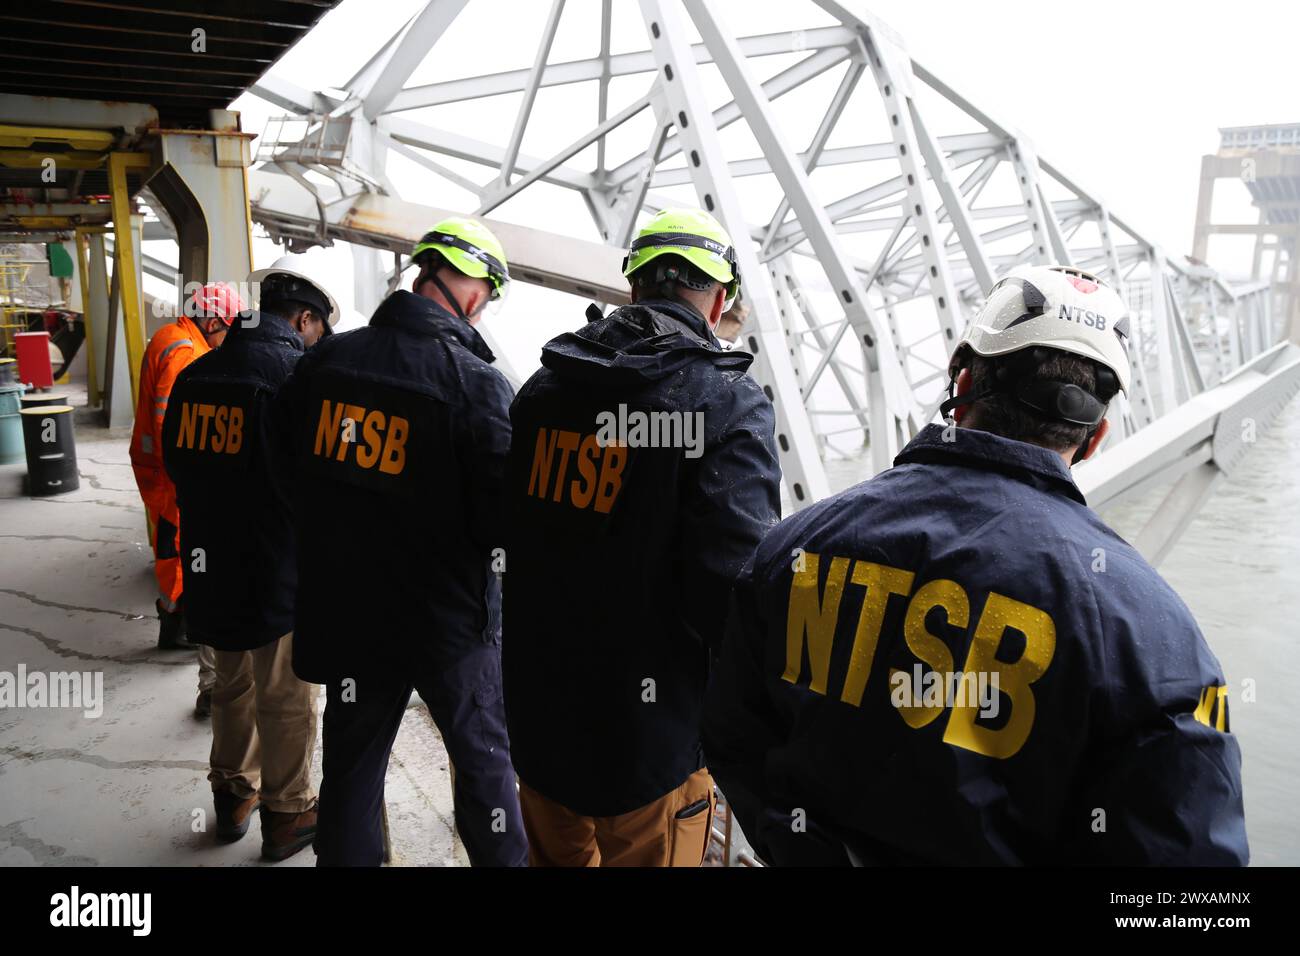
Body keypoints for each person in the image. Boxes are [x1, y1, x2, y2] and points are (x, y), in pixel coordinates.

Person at [702, 264, 1250, 866]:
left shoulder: (792, 549)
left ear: (960, 383)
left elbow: (732, 734)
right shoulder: (1154, 635)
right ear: (1095, 439)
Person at [501, 207, 781, 866]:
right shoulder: (725, 404)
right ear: (717, 303)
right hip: (652, 741)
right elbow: (729, 595)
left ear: (634, 289)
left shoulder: (542, 390)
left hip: (540, 719)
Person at [273, 217, 527, 867]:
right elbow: (505, 524)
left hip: (351, 615)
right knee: (483, 768)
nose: (486, 304)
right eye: (488, 289)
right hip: (448, 626)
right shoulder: (475, 383)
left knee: (352, 772)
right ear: (467, 284)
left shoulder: (325, 362)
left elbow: (284, 468)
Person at [161, 252, 337, 861]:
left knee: (230, 684)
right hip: (275, 565)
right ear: (306, 320)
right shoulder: (296, 378)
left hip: (209, 561)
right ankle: (288, 813)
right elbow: (313, 482)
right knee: (285, 694)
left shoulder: (196, 375)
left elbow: (176, 464)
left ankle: (234, 796)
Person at [130, 282, 243, 717]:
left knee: (169, 545)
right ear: (212, 321)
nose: (227, 340)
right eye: (226, 330)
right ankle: (183, 624)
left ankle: (172, 623)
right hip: (172, 474)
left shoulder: (170, 336)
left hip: (158, 469)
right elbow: (170, 426)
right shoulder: (185, 353)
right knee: (184, 552)